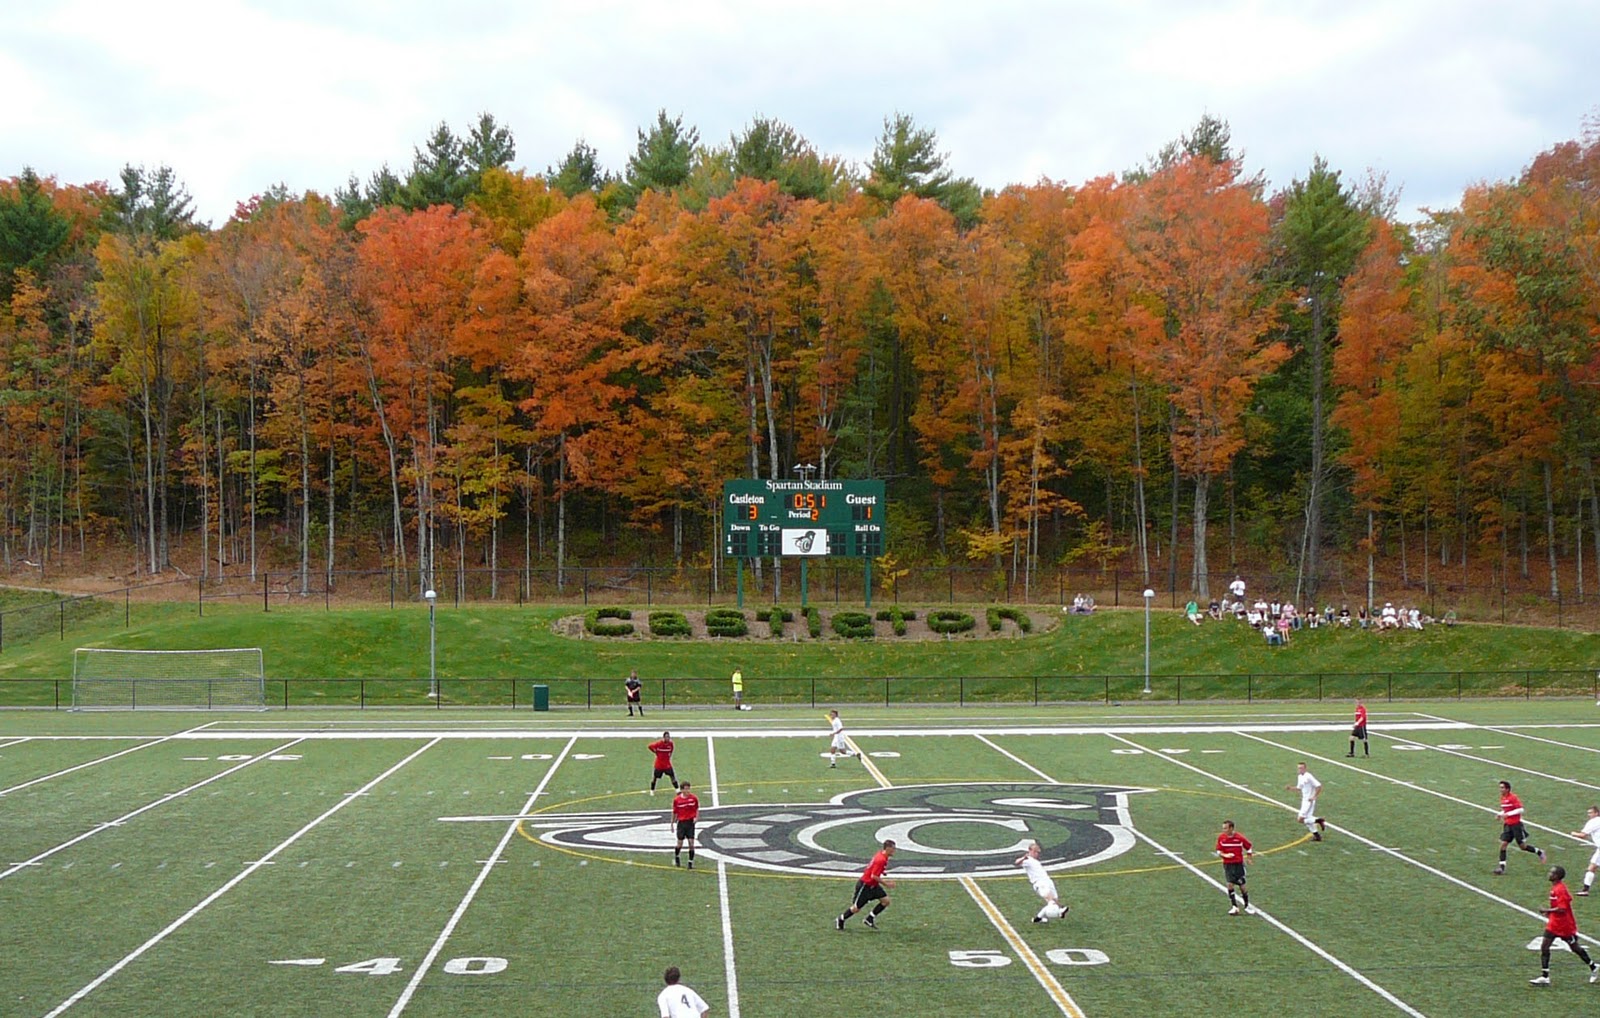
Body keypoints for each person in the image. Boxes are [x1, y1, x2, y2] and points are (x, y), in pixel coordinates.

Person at [1529, 865, 1600, 986]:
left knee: (1575, 948)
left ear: (1557, 876)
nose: (1549, 874)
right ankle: (1545, 977)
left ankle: (1593, 967)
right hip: (1554, 923)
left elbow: (1562, 909)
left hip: (1564, 925)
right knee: (1544, 947)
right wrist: (1549, 913)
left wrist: (1547, 910)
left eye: (1552, 873)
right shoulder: (1556, 888)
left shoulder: (1560, 889)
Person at [836, 839, 896, 930]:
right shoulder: (881, 859)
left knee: (886, 901)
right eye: (893, 848)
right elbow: (874, 876)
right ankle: (841, 919)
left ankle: (870, 918)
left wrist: (882, 872)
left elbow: (874, 868)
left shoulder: (882, 855)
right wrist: (886, 884)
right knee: (856, 908)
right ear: (887, 848)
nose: (894, 851)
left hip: (873, 885)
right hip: (865, 885)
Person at [1494, 779, 1547, 875]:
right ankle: (1501, 868)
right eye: (1500, 787)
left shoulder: (1513, 797)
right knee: (1503, 845)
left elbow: (1521, 809)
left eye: (1502, 787)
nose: (1500, 789)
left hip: (1516, 825)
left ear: (1507, 789)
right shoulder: (1502, 798)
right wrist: (1500, 814)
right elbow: (1505, 810)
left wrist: (1508, 814)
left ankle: (1539, 852)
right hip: (1507, 825)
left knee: (1522, 846)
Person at [1015, 841, 1068, 923]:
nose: (1037, 854)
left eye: (1038, 852)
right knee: (1049, 897)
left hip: (1047, 880)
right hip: (1039, 882)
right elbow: (1016, 863)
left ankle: (1038, 918)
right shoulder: (1027, 860)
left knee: (1055, 900)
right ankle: (1056, 908)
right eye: (1036, 852)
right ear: (1031, 850)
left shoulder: (1035, 861)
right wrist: (1023, 858)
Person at [1215, 819, 1254, 915]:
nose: (1223, 830)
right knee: (1229, 884)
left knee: (1242, 886)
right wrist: (1225, 855)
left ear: (1231, 828)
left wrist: (1249, 858)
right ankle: (1234, 906)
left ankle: (1247, 905)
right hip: (1228, 865)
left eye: (1225, 828)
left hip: (1238, 865)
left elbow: (1249, 847)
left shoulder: (1239, 838)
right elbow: (1219, 851)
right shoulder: (1221, 838)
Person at [1286, 762, 1326, 841]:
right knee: (1308, 819)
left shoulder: (1309, 776)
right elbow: (1299, 787)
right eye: (1298, 768)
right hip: (1304, 800)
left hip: (1308, 801)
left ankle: (1318, 820)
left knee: (1300, 819)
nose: (1299, 770)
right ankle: (1317, 836)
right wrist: (1291, 788)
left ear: (1305, 768)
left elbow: (1319, 786)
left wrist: (1314, 797)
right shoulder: (1300, 777)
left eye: (1301, 768)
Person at [671, 780, 699, 869]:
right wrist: (672, 823)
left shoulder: (693, 798)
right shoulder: (677, 800)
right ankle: (677, 856)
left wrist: (696, 817)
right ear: (682, 790)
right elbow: (675, 812)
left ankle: (690, 863)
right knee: (680, 843)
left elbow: (696, 808)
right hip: (681, 823)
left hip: (690, 823)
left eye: (688, 789)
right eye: (686, 789)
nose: (687, 791)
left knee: (691, 843)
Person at [1572, 805, 1600, 896]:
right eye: (1588, 813)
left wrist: (1573, 834)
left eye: (1591, 813)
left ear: (1596, 813)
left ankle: (1585, 890)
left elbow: (1583, 835)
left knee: (1591, 868)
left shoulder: (1593, 822)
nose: (1589, 815)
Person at [647, 731, 678, 796]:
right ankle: (652, 790)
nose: (668, 738)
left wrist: (668, 756)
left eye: (668, 737)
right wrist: (655, 752)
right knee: (655, 778)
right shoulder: (659, 744)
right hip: (659, 765)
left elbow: (671, 750)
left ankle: (677, 790)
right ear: (663, 737)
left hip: (667, 764)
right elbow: (650, 746)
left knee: (672, 776)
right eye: (666, 737)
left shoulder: (670, 744)